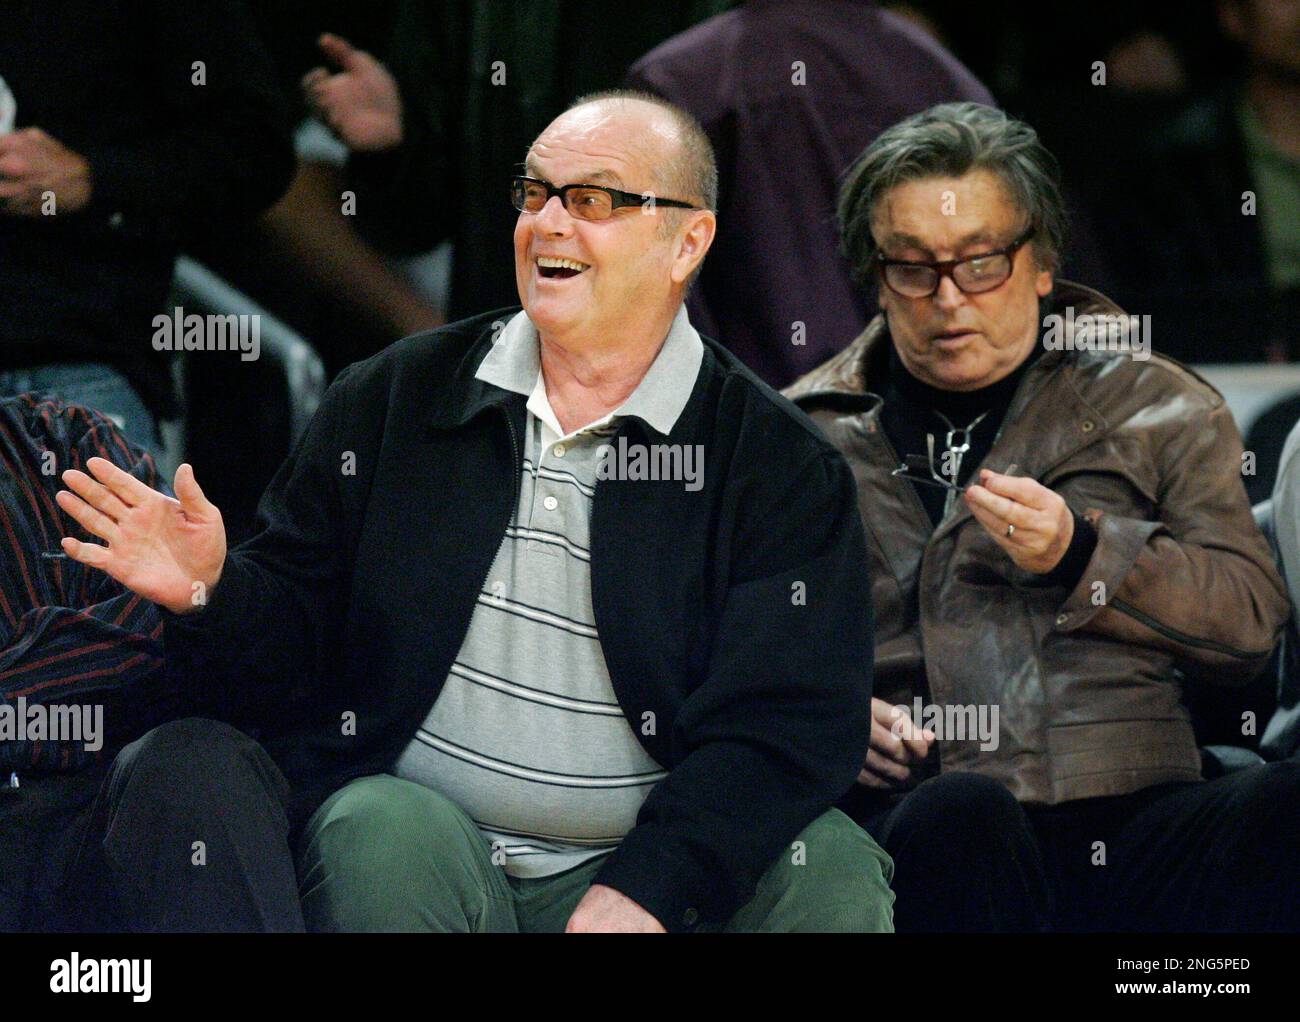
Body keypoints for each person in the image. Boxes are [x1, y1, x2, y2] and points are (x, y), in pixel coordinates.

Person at [57, 91, 894, 933]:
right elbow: (294, 657)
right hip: (430, 849)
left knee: (829, 863)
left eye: (593, 200)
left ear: (688, 241)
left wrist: (654, 881)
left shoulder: (778, 464)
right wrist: (212, 589)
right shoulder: (395, 397)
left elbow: (789, 722)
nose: (550, 224)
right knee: (379, 825)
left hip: (648, 866)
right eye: (535, 194)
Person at [785, 101, 1299, 932]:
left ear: (1041, 263)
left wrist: (1082, 551)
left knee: (1284, 804)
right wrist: (831, 715)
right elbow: (740, 651)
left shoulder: (1155, 402)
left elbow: (1248, 626)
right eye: (913, 268)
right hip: (929, 811)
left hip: (1133, 801)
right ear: (873, 274)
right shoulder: (804, 437)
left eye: (981, 263)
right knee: (962, 818)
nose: (949, 299)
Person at [0, 394, 302, 932]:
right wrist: (65, 648)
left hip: (97, 818)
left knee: (198, 763)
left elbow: (154, 632)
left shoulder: (61, 437)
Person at [625, 0, 993, 387]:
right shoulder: (949, 82)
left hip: (739, 416)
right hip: (914, 418)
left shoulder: (681, 79)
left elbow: (646, 287)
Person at [0, 0, 295, 454]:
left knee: (111, 513)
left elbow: (255, 145)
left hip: (72, 361)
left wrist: (94, 177)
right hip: (73, 366)